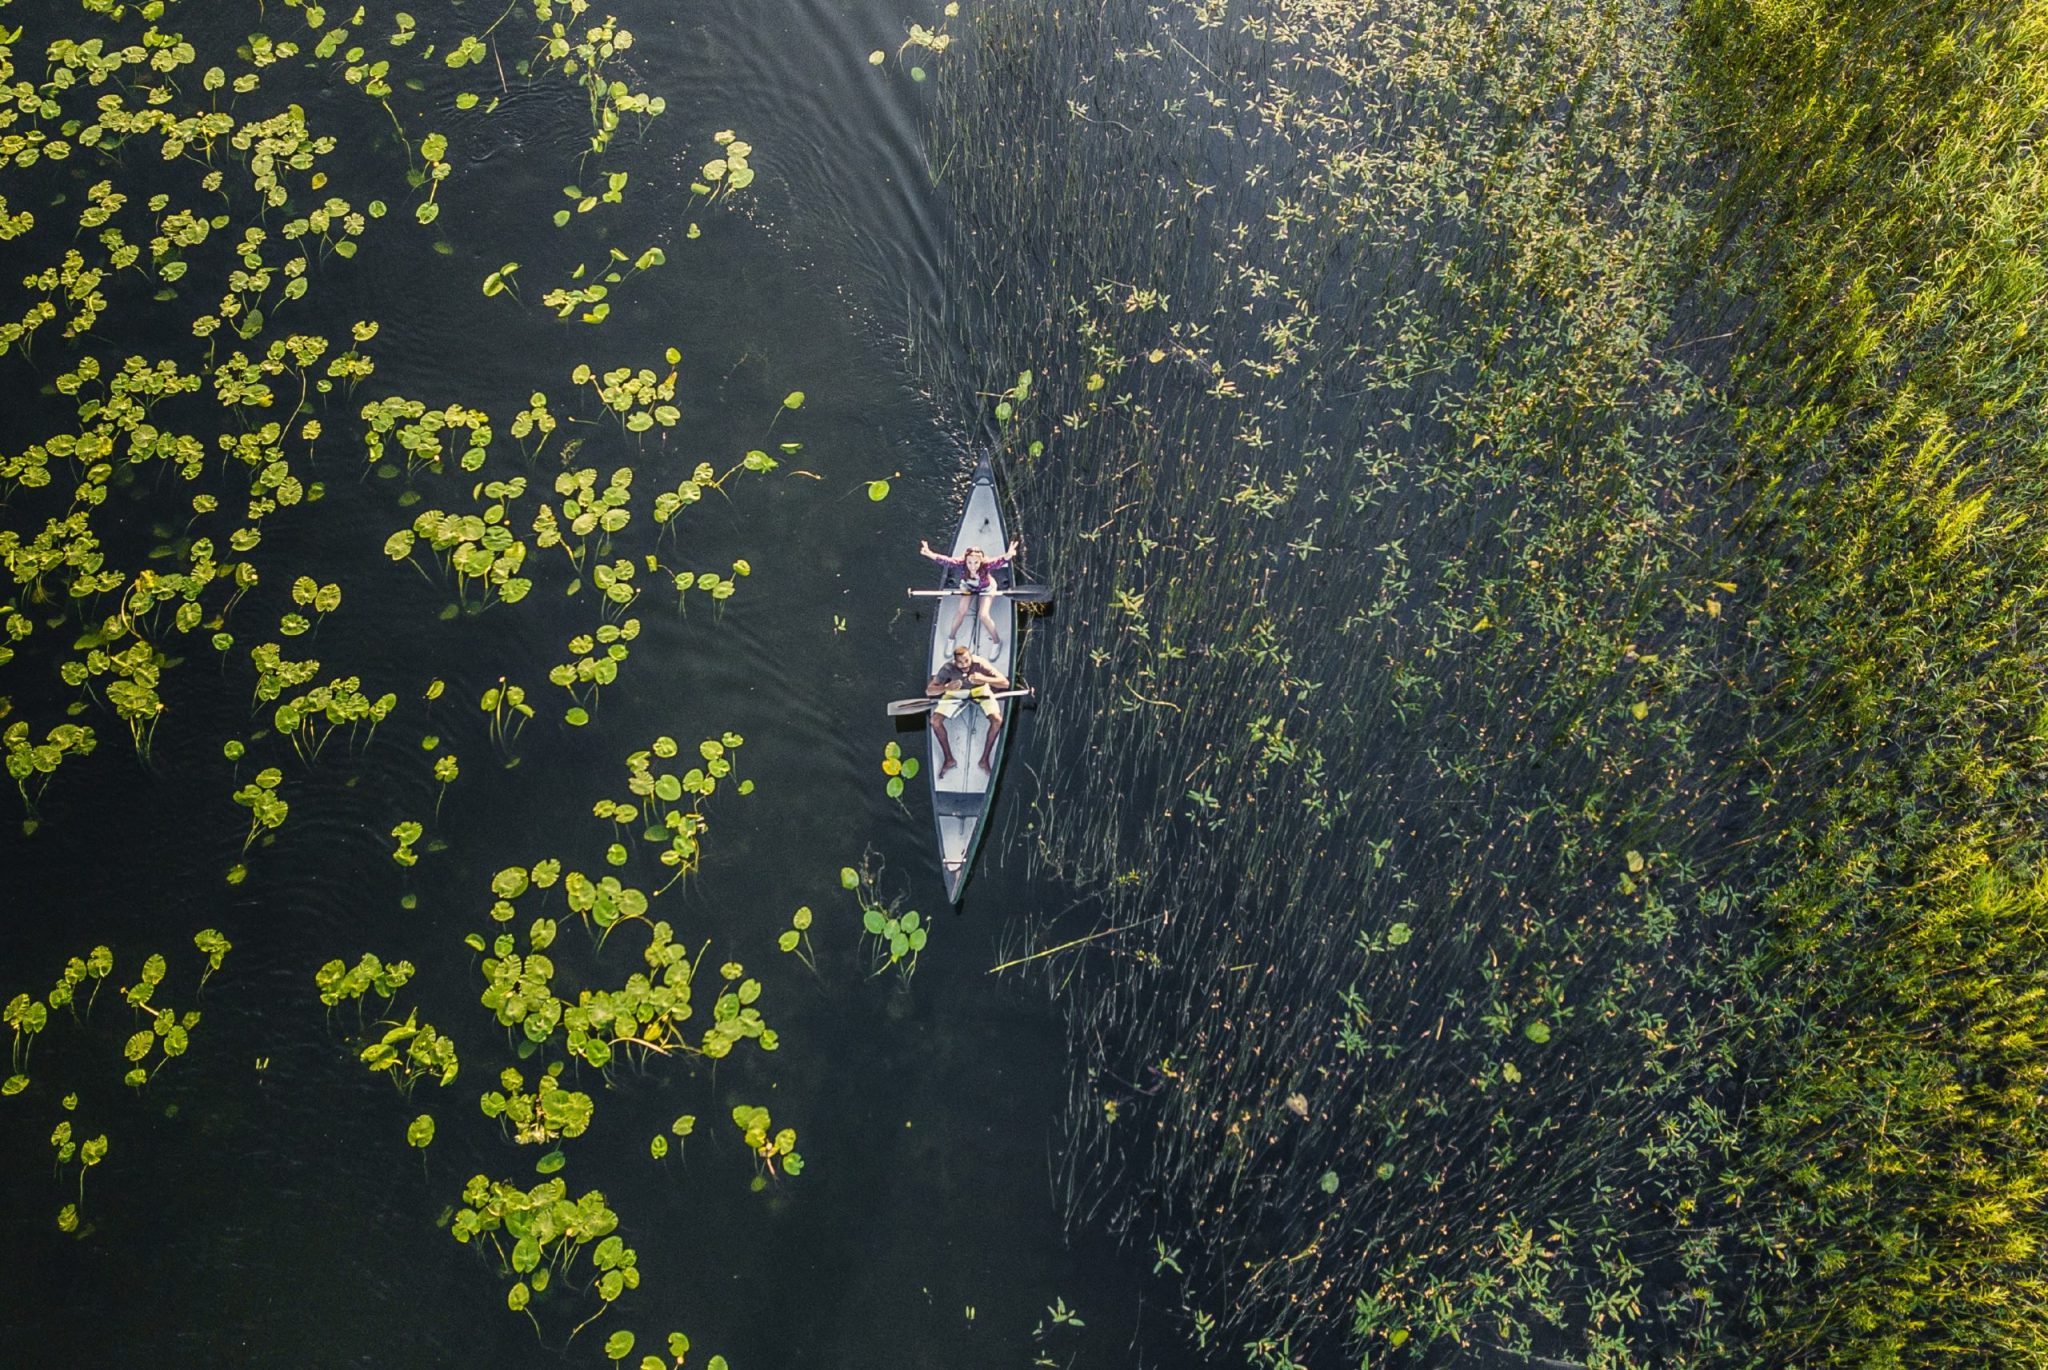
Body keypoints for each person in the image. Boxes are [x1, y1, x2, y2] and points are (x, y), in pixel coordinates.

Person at [919, 538, 1020, 650]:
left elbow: (998, 562)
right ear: (965, 561)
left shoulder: (985, 565)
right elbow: (946, 561)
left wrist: (1008, 555)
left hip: (986, 588)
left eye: (976, 562)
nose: (972, 566)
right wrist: (930, 554)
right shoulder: (961, 564)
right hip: (968, 587)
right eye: (969, 562)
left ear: (980, 561)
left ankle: (996, 641)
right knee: (961, 611)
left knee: (983, 615)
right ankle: (951, 638)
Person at [926, 643, 1009, 776]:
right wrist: (946, 687)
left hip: (979, 690)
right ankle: (949, 759)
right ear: (954, 662)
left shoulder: (980, 663)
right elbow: (929, 690)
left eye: (967, 661)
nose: (964, 665)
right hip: (956, 692)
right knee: (935, 721)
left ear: (971, 657)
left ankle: (984, 759)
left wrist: (984, 678)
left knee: (997, 720)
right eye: (960, 663)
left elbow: (1005, 683)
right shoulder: (948, 668)